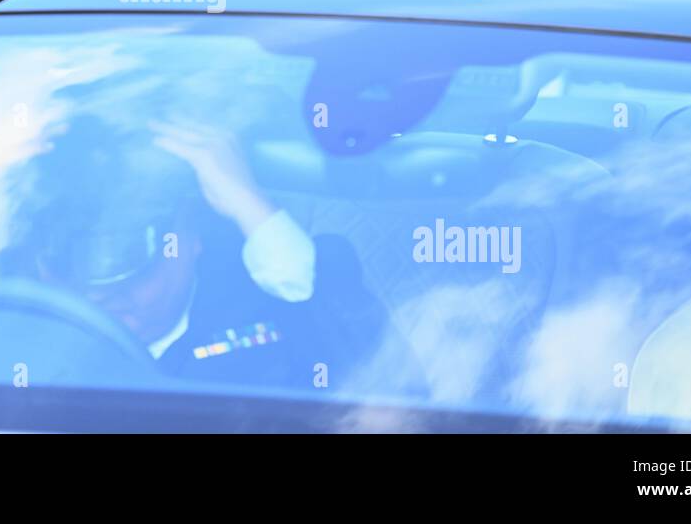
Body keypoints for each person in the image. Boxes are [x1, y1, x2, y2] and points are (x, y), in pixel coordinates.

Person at [28, 116, 424, 394]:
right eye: (83, 278)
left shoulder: (286, 294)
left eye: (134, 275)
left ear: (191, 234)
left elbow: (396, 394)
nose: (108, 302)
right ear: (47, 270)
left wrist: (248, 204)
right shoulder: (4, 319)